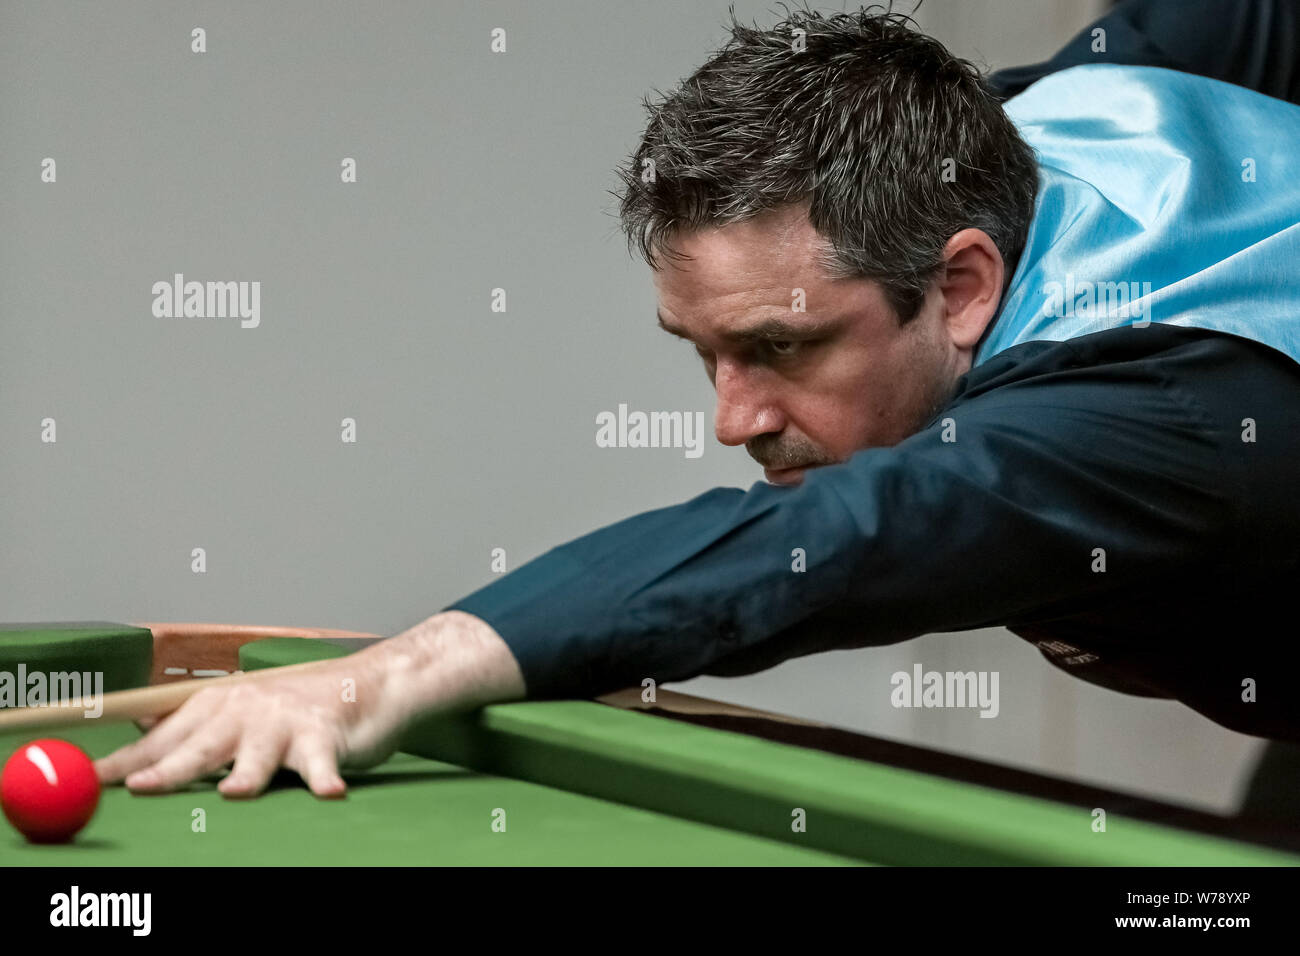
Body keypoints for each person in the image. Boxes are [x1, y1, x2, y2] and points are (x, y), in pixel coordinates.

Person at [98, 1, 1300, 808]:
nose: (734, 420)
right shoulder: (1038, 119)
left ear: (962, 284)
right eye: (704, 351)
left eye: (781, 346)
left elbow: (842, 538)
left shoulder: (1169, 431)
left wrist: (395, 672)